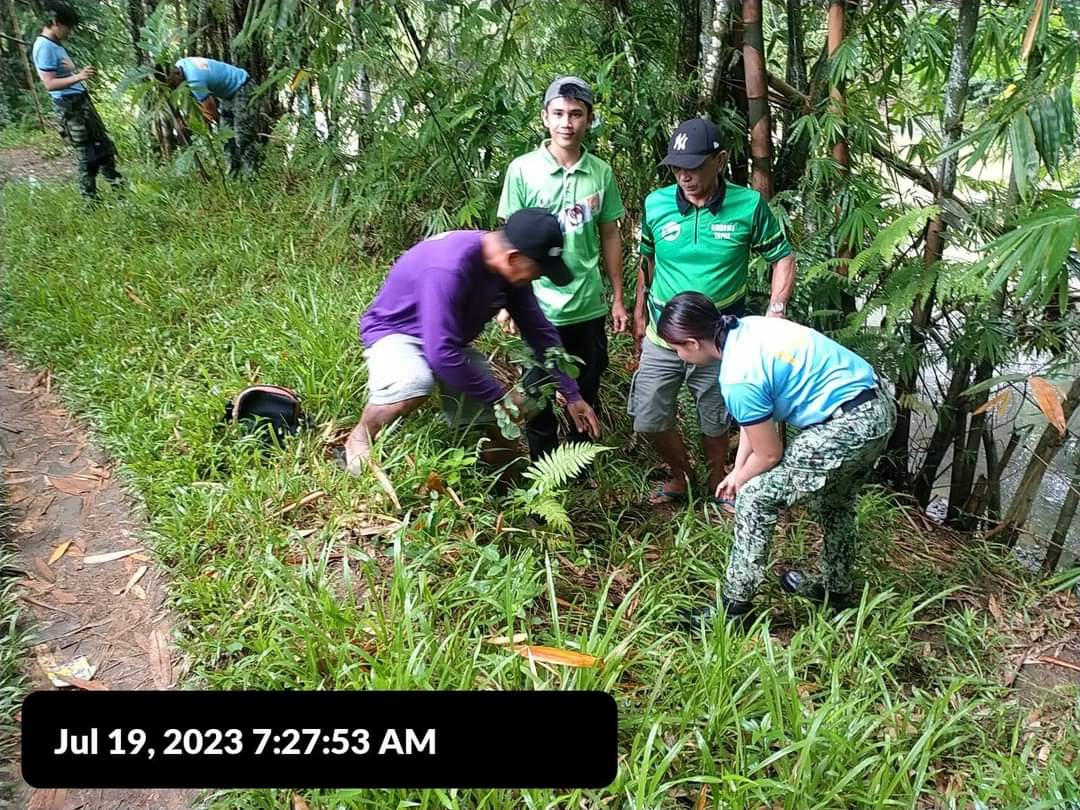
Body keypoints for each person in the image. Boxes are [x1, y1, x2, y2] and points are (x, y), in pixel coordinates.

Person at [656, 292, 896, 620]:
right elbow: (756, 426)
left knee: (755, 498)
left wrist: (742, 481)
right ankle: (834, 590)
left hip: (849, 424)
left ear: (693, 343)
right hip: (878, 408)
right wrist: (737, 470)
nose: (679, 356)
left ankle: (733, 608)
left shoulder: (738, 377)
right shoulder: (748, 328)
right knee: (835, 502)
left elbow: (769, 454)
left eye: (677, 348)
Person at [343, 208, 602, 479]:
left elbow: (539, 331)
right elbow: (440, 352)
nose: (538, 277)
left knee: (501, 424)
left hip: (448, 341)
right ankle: (360, 437)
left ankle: (506, 488)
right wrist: (499, 397)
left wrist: (572, 394)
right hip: (399, 333)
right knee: (414, 383)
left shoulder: (510, 275)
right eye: (538, 271)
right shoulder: (450, 267)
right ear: (513, 258)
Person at [631, 118, 796, 508]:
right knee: (648, 418)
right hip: (662, 335)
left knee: (716, 419)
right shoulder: (656, 204)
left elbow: (782, 256)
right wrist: (639, 311)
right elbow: (647, 260)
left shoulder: (748, 205)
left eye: (694, 167)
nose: (684, 177)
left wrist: (776, 310)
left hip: (719, 339)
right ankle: (682, 475)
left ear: (719, 160)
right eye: (676, 167)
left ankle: (718, 480)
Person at [497, 76, 626, 461]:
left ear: (589, 119)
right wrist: (507, 300)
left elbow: (610, 235)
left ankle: (579, 463)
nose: (566, 123)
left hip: (587, 301)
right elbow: (509, 238)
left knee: (587, 384)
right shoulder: (522, 170)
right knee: (536, 391)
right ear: (544, 118)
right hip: (536, 303)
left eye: (575, 114)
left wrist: (618, 296)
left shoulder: (600, 173)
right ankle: (544, 468)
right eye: (558, 114)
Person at [32, 4, 122, 199]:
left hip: (81, 103)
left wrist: (79, 77)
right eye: (68, 27)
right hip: (70, 107)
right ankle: (90, 201)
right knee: (87, 155)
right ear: (56, 23)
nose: (70, 32)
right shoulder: (44, 47)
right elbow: (49, 84)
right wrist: (79, 77)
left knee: (104, 148)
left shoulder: (55, 45)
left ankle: (119, 190)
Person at [162, 57, 258, 175]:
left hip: (242, 86)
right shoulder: (181, 64)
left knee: (243, 135)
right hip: (226, 94)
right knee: (226, 135)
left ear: (178, 75)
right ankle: (234, 172)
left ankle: (252, 172)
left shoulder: (194, 81)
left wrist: (196, 127)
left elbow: (210, 110)